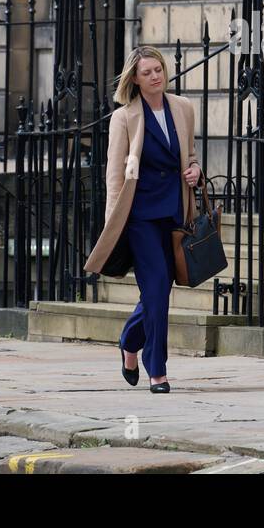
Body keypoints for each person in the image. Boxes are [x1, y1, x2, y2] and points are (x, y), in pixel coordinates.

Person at [83, 45, 201, 393]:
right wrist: (112, 224)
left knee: (159, 288)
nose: (155, 76)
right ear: (134, 78)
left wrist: (194, 170)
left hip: (174, 211)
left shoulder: (182, 108)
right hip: (139, 216)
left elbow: (190, 156)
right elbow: (115, 175)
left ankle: (129, 341)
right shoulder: (124, 117)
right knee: (158, 284)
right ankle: (157, 369)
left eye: (158, 69)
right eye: (147, 72)